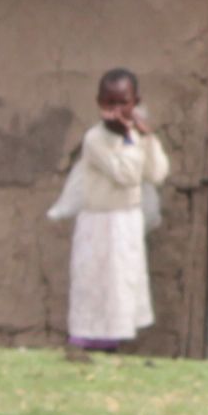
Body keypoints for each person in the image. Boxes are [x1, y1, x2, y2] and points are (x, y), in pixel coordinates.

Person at [48, 68, 169, 355]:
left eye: (122, 103)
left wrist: (147, 139)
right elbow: (126, 174)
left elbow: (157, 172)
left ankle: (111, 349)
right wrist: (131, 138)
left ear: (135, 101)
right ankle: (84, 349)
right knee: (94, 288)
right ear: (98, 102)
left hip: (125, 223)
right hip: (99, 225)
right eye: (108, 103)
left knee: (120, 290)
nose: (115, 111)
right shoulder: (95, 139)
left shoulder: (137, 137)